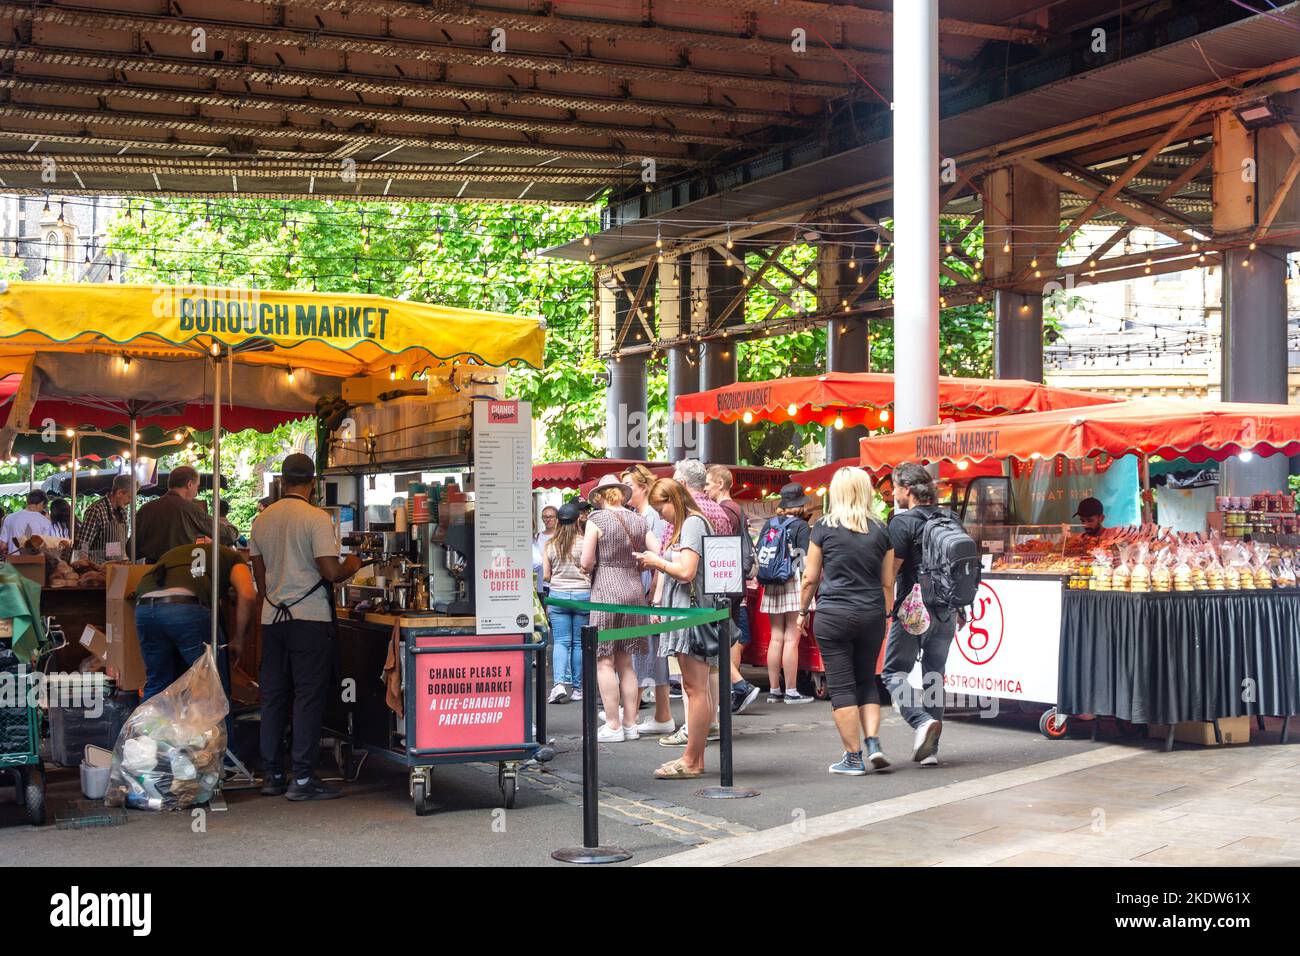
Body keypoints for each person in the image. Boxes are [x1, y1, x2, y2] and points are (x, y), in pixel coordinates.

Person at [251, 454, 364, 801]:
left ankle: (271, 774)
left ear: (283, 481)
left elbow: (260, 577)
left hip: (272, 619)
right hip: (309, 620)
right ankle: (301, 779)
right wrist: (353, 564)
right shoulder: (316, 518)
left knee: (273, 697)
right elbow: (330, 572)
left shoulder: (261, 520)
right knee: (307, 697)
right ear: (313, 483)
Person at [798, 468, 895, 774]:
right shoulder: (881, 530)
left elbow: (810, 577)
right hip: (872, 614)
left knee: (841, 687)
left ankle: (853, 758)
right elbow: (888, 581)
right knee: (867, 680)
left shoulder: (823, 527)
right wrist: (887, 613)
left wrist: (802, 611)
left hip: (834, 615)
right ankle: (874, 743)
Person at [135, 535, 258, 745]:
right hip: (185, 608)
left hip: (145, 609)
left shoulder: (176, 551)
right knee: (212, 685)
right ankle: (223, 759)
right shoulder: (232, 557)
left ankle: (144, 752)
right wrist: (238, 638)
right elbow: (247, 594)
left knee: (158, 683)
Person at [636, 478, 719, 779]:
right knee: (694, 688)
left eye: (661, 509)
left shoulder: (694, 524)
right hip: (687, 612)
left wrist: (657, 561)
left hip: (690, 613)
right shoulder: (692, 523)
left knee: (695, 688)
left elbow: (687, 571)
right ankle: (693, 757)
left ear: (674, 500)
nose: (661, 516)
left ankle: (692, 760)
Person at [881, 462, 957, 767]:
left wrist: (887, 609)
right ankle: (931, 750)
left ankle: (920, 720)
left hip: (914, 608)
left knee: (892, 672)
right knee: (934, 675)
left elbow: (890, 574)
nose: (892, 494)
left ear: (908, 490)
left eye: (895, 488)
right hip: (947, 609)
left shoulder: (901, 524)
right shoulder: (951, 518)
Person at [580, 474, 652, 742]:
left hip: (606, 590)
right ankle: (631, 724)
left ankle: (613, 725)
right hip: (634, 590)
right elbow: (655, 552)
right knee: (627, 662)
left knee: (604, 661)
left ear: (600, 496)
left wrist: (586, 567)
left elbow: (587, 561)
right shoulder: (639, 520)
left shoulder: (596, 520)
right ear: (622, 494)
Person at [619, 463, 674, 736]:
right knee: (649, 650)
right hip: (646, 589)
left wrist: (655, 596)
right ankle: (658, 712)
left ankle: (632, 710)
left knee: (646, 650)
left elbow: (660, 557)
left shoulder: (652, 515)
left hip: (651, 591)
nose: (625, 490)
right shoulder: (639, 514)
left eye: (629, 484)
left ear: (642, 486)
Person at [705, 464, 761, 715]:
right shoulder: (737, 509)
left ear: (721, 484)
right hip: (734, 579)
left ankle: (738, 685)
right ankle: (733, 687)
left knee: (721, 635)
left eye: (708, 483)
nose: (705, 488)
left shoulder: (725, 510)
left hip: (725, 580)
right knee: (729, 635)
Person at [760, 482, 814, 704]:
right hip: (792, 582)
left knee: (776, 637)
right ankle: (791, 690)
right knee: (792, 638)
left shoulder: (769, 524)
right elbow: (804, 561)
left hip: (771, 582)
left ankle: (774, 690)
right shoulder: (801, 527)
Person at [542, 501, 591, 704]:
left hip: (558, 596)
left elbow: (546, 576)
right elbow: (590, 567)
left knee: (561, 642)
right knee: (579, 643)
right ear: (576, 520)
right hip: (582, 597)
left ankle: (559, 684)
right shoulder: (585, 542)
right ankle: (579, 689)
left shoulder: (550, 544)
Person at [132, 465, 211, 563]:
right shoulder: (191, 509)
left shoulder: (145, 509)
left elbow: (131, 549)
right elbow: (225, 533)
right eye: (197, 487)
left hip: (152, 571)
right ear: (189, 484)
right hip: (181, 570)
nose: (196, 493)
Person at [75, 474, 132, 555]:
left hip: (118, 564)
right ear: (119, 493)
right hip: (99, 565)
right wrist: (83, 561)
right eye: (129, 497)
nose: (130, 501)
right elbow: (83, 544)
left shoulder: (123, 513)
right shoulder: (96, 510)